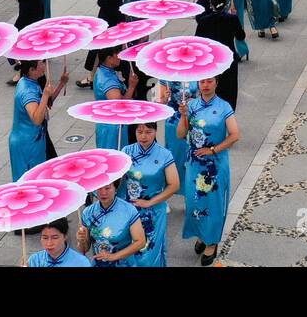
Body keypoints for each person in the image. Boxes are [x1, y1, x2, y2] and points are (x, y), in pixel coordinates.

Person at [177, 77, 240, 266]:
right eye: (202, 82)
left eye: (209, 81)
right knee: (194, 200)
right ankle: (201, 235)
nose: (205, 85)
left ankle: (211, 242)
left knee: (213, 203)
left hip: (215, 164)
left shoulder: (223, 107)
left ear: (216, 83)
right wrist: (183, 116)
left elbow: (235, 135)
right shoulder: (191, 105)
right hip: (195, 163)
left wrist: (213, 150)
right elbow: (181, 134)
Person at [120, 122, 180, 267]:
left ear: (155, 131)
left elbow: (174, 185)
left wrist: (150, 202)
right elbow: (120, 182)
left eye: (148, 131)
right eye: (139, 131)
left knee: (150, 252)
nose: (143, 136)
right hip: (130, 210)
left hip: (153, 212)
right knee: (129, 250)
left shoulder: (164, 154)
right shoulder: (126, 151)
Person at [9, 60, 66, 180]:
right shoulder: (27, 92)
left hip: (36, 139)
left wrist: (61, 84)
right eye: (41, 63)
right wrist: (45, 95)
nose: (44, 65)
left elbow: (45, 105)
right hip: (27, 143)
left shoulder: (31, 82)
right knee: (30, 182)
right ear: (31, 70)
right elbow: (36, 119)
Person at [76, 180, 146, 267]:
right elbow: (84, 249)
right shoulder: (88, 212)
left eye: (107, 188)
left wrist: (113, 256)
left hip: (123, 264)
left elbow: (140, 242)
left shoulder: (129, 210)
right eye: (99, 188)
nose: (103, 192)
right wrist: (81, 241)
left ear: (115, 189)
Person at [93, 47, 136, 150]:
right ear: (109, 58)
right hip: (112, 128)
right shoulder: (107, 80)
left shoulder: (104, 71)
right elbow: (119, 104)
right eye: (117, 54)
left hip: (107, 123)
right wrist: (132, 86)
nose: (120, 56)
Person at [25, 218, 92, 267]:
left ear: (65, 236)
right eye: (45, 238)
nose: (49, 243)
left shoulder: (81, 262)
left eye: (55, 238)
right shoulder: (34, 260)